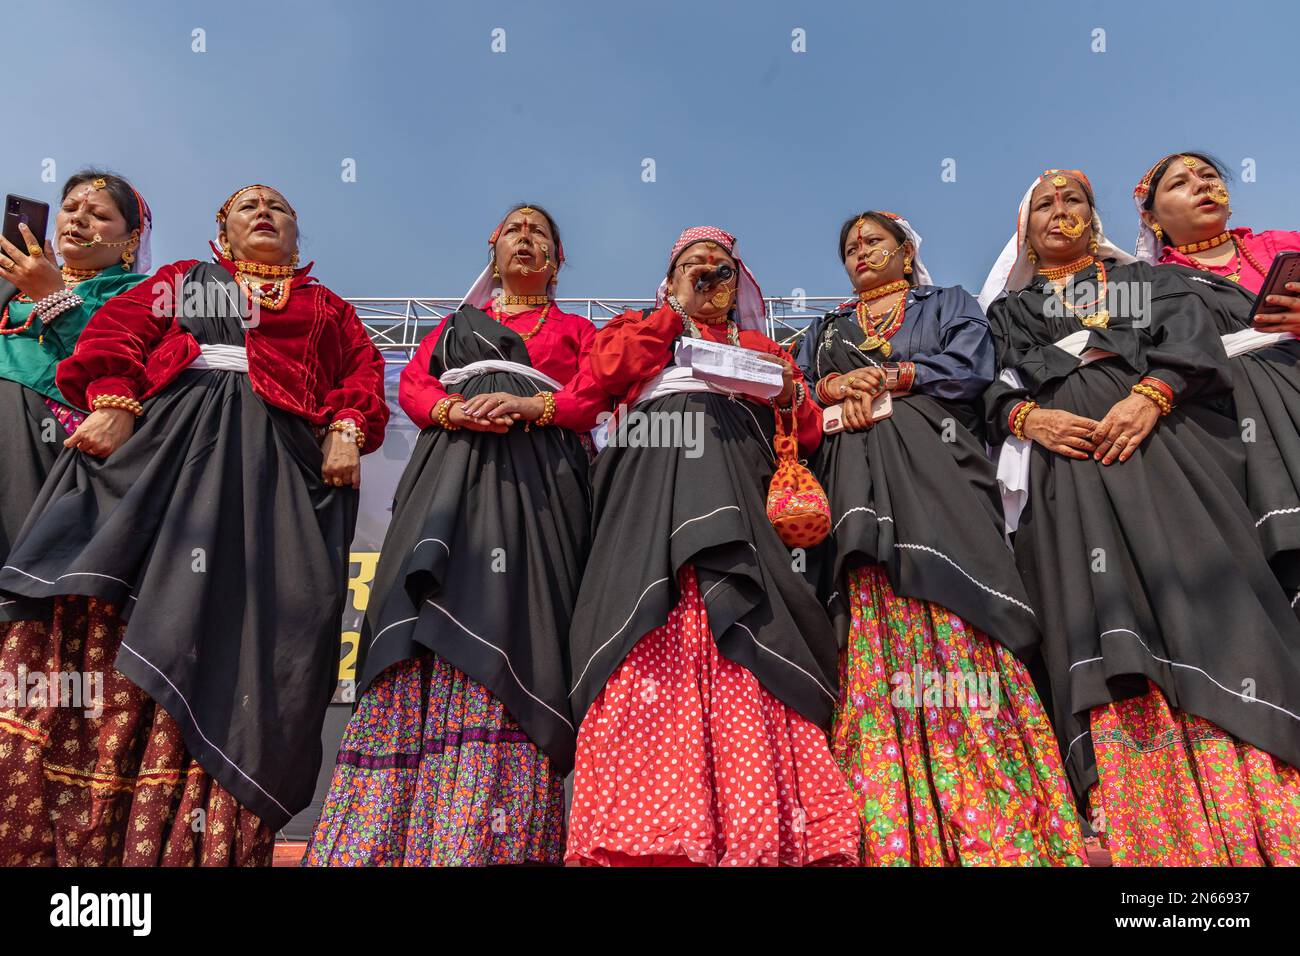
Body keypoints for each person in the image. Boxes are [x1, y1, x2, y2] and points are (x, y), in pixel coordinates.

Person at [0, 184, 387, 866]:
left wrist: (348, 427)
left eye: (279, 207)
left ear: (297, 234)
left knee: (260, 626)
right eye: (247, 206)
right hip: (172, 449)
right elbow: (115, 333)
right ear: (222, 231)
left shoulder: (329, 308)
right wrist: (115, 397)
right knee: (124, 610)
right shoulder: (186, 280)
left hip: (279, 471)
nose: (265, 211)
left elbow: (362, 373)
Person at [978, 169, 1300, 865]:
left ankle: (1260, 805)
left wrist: (1150, 395)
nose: (1059, 212)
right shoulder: (1007, 314)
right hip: (1068, 474)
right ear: (1024, 232)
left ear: (1097, 221)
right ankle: (1148, 825)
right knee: (1098, 614)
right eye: (1043, 204)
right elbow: (989, 389)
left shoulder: (1151, 283)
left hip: (1169, 451)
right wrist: (1031, 417)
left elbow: (1193, 343)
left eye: (1074, 201)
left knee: (1207, 595)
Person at [304, 203, 607, 866]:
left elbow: (595, 394)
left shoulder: (579, 331)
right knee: (421, 611)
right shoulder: (447, 329)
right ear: (492, 249)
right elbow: (411, 386)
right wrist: (449, 408)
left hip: (541, 485)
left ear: (556, 262)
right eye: (515, 230)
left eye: (542, 235)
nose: (527, 239)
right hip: (446, 474)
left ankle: (490, 834)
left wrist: (534, 405)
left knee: (512, 620)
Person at [564, 225, 861, 867]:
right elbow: (603, 377)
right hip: (650, 492)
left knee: (749, 621)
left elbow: (807, 430)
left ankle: (764, 830)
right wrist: (671, 318)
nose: (707, 273)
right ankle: (645, 833)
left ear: (736, 285)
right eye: (693, 267)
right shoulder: (635, 327)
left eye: (719, 267)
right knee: (646, 621)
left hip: (740, 488)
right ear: (669, 281)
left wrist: (789, 392)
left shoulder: (761, 346)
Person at [795, 210, 1083, 865]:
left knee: (956, 612)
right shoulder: (826, 329)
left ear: (905, 252)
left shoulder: (947, 303)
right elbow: (792, 396)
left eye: (873, 242)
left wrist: (896, 376)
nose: (860, 253)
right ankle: (893, 825)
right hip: (854, 489)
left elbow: (972, 368)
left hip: (937, 471)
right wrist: (832, 384)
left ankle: (993, 821)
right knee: (872, 626)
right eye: (849, 248)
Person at [1136, 152, 1300, 599]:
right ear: (1151, 217)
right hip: (1237, 427)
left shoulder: (1286, 244)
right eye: (1180, 184)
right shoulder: (1150, 286)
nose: (1202, 186)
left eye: (1209, 177)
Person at [0, 170, 150, 565]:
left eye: (98, 215)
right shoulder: (10, 280)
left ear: (131, 239)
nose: (77, 219)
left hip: (45, 432)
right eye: (68, 209)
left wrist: (53, 296)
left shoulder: (137, 295)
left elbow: (114, 360)